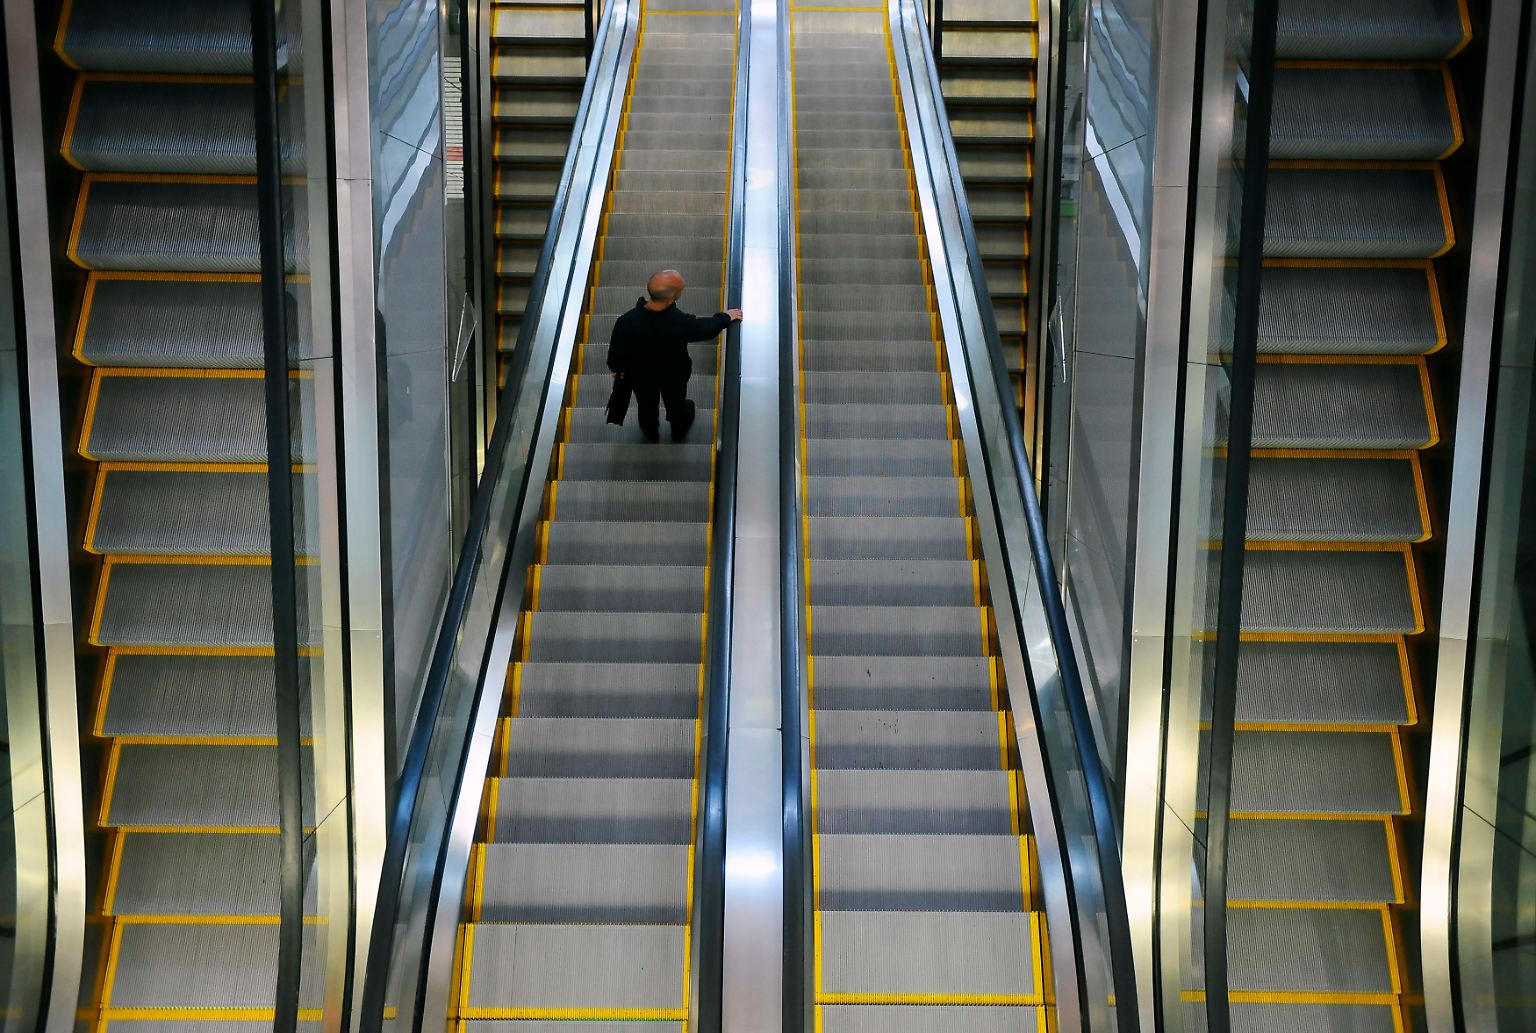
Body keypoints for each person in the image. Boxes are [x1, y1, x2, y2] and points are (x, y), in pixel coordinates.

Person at [607, 269, 743, 442]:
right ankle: (678, 428)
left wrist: (616, 369)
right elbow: (705, 328)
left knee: (646, 404)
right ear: (671, 299)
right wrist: (726, 317)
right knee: (676, 402)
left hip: (639, 377)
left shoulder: (626, 320)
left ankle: (650, 432)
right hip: (674, 375)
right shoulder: (680, 323)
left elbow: (615, 353)